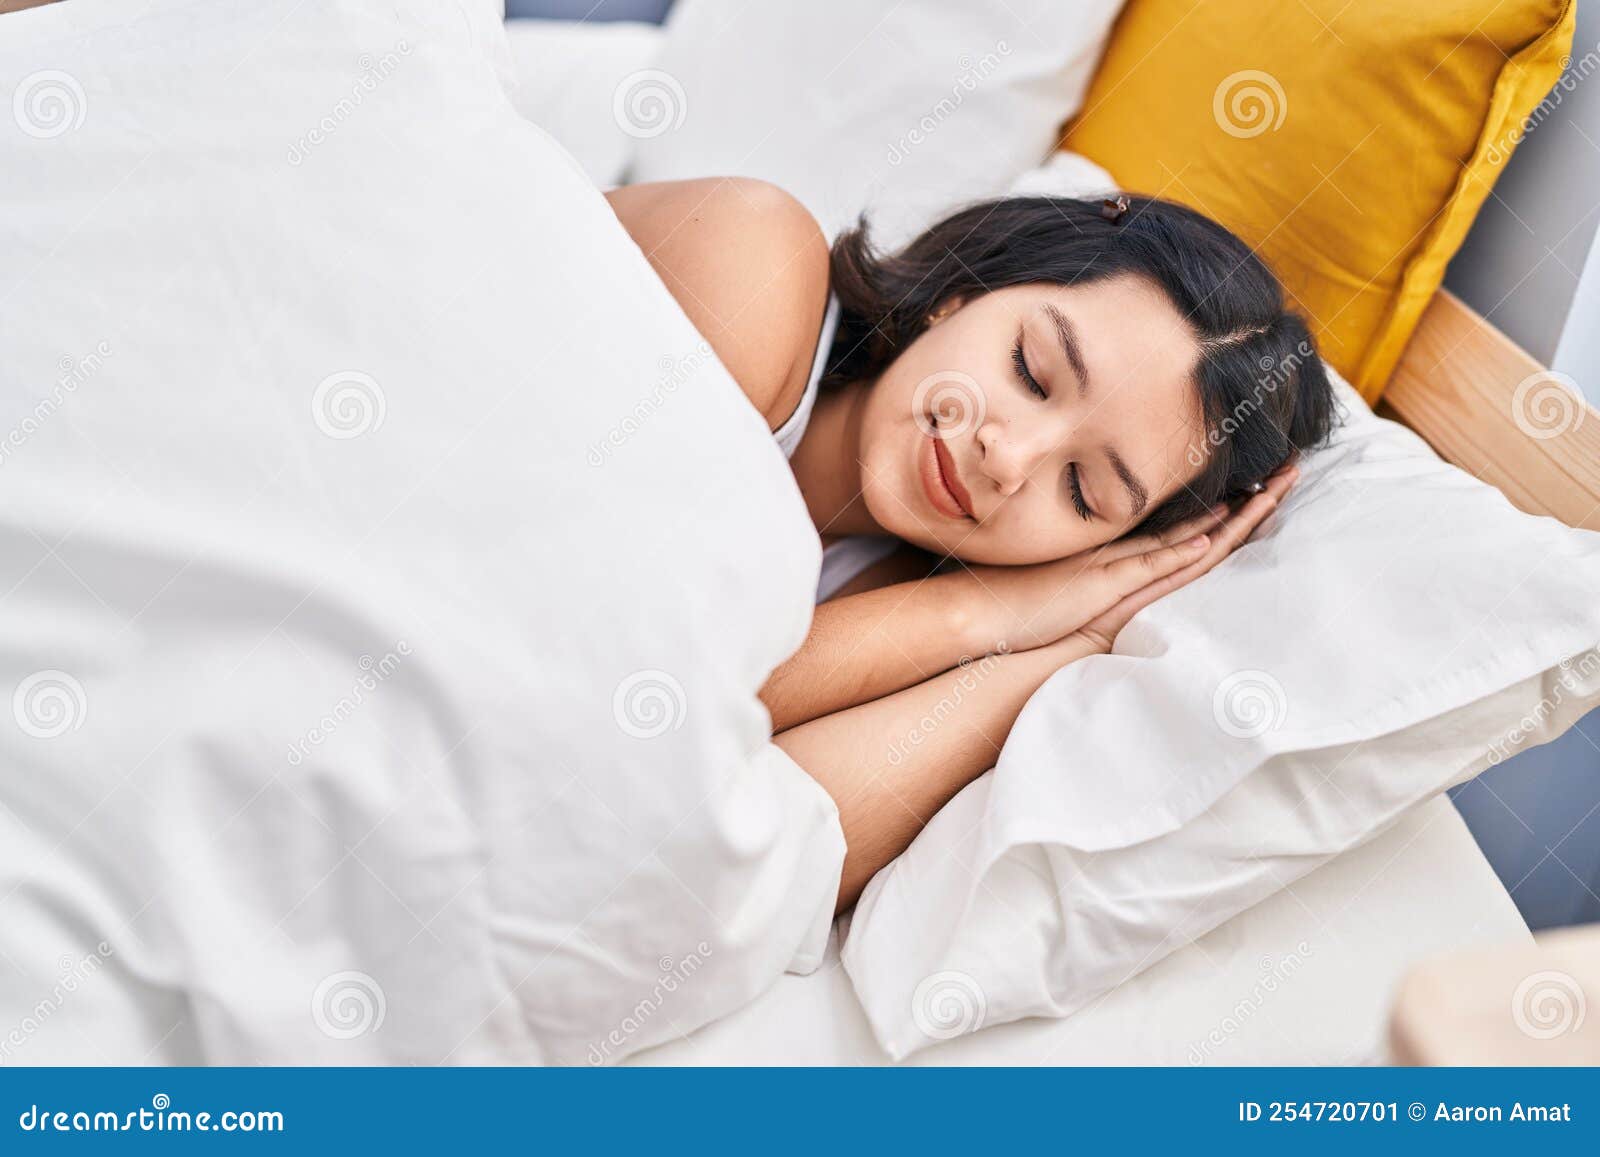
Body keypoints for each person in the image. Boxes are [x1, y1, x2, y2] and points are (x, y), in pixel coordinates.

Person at [606, 177, 1331, 910]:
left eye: (1083, 492)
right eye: (1030, 371)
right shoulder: (753, 262)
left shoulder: (893, 598)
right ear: (965, 287)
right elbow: (632, 677)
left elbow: (758, 861)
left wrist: (1059, 632)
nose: (1008, 460)